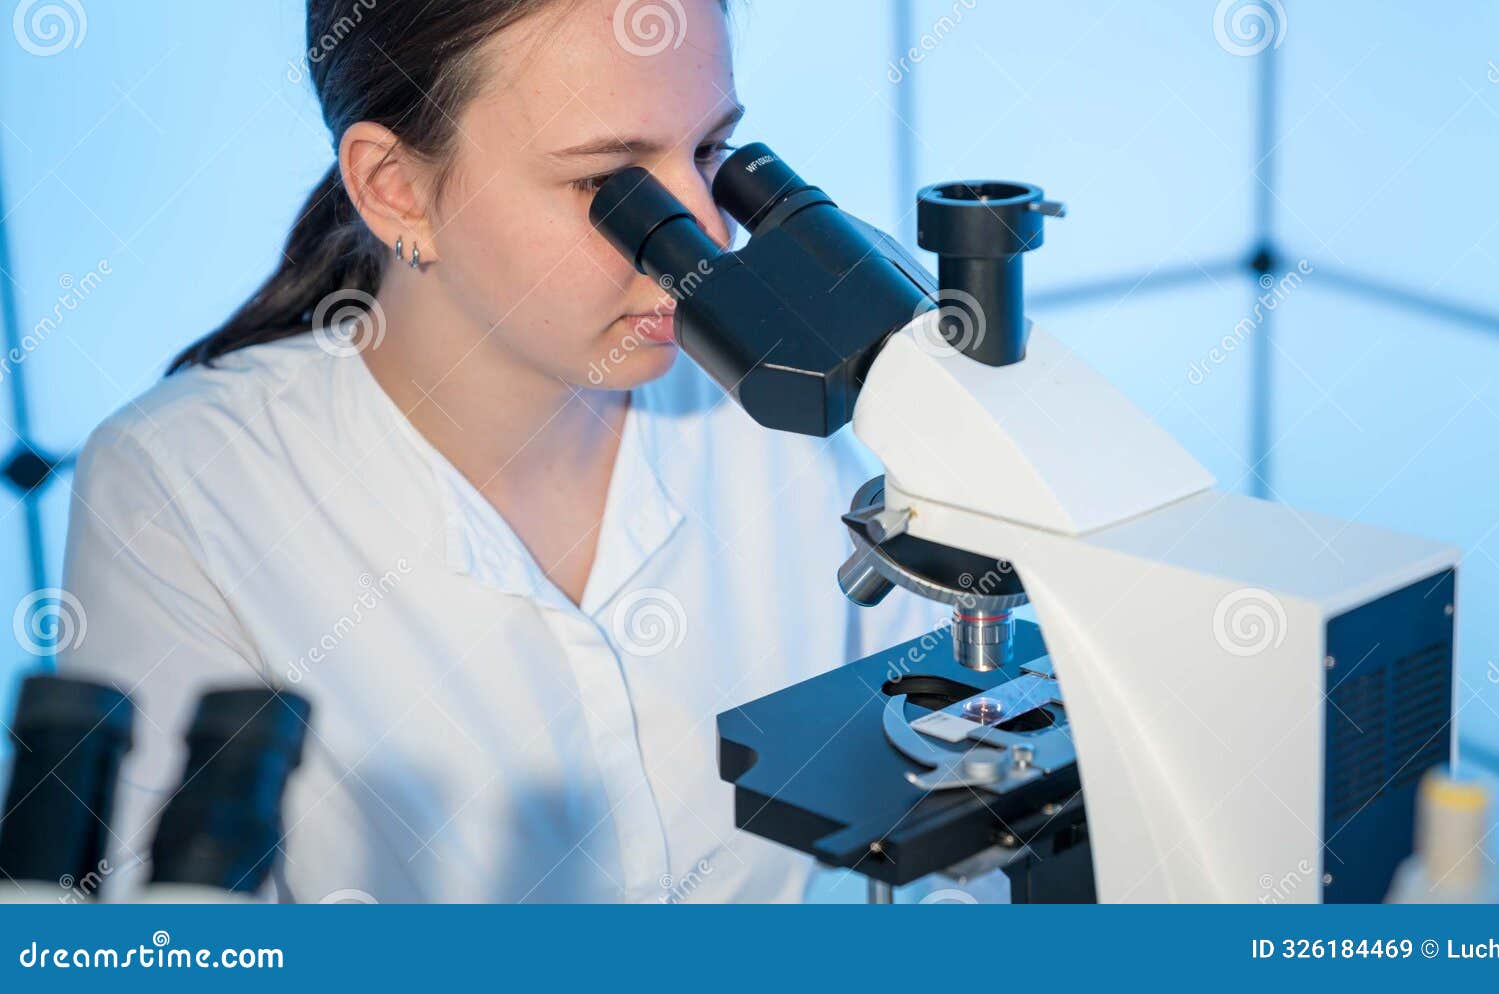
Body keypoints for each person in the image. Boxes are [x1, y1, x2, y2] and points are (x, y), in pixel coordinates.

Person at [57, 0, 940, 903]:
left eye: (711, 154)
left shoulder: (804, 396)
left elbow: (946, 810)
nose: (710, 236)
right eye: (610, 182)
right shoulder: (186, 486)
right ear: (396, 188)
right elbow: (175, 933)